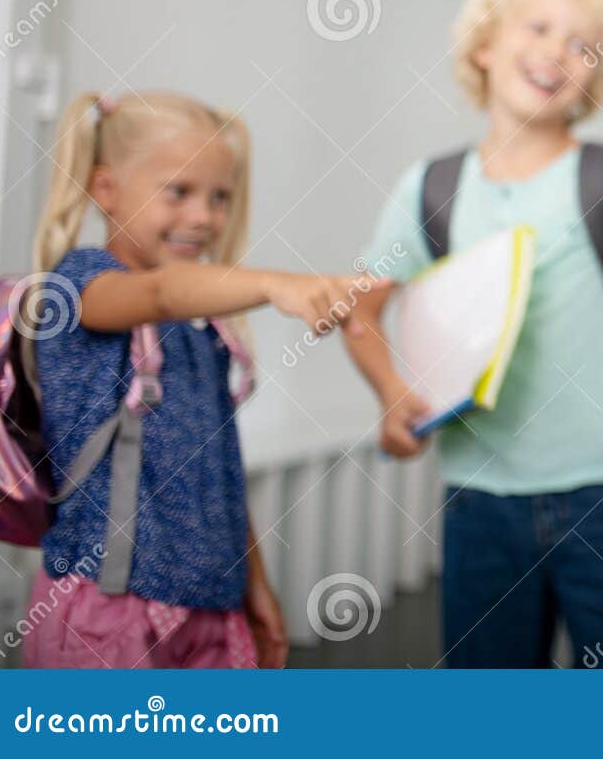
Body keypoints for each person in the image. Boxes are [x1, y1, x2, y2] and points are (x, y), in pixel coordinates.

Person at [347, 0, 603, 668]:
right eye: (538, 28)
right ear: (484, 46)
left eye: (583, 45)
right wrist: (389, 393)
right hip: (481, 495)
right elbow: (362, 309)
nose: (558, 51)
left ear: (593, 78)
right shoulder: (431, 186)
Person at [22, 90, 378, 668]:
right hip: (110, 611)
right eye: (179, 192)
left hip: (212, 607)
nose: (204, 217)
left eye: (219, 197)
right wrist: (275, 285)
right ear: (106, 189)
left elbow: (223, 468)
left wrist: (253, 583)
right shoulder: (83, 284)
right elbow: (160, 292)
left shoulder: (202, 328)